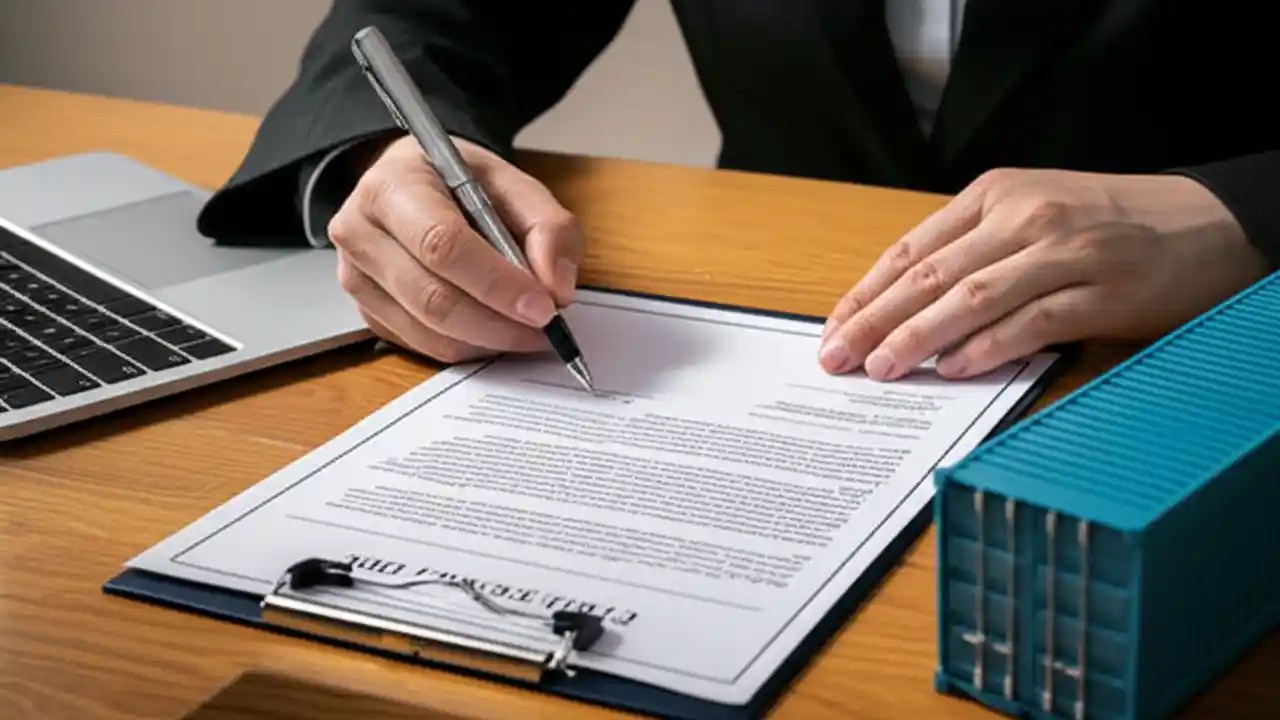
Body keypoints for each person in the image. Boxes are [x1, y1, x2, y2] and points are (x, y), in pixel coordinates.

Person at [196, 2, 1278, 381]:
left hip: (1196, 358)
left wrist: (1246, 213)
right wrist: (383, 157)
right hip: (782, 331)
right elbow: (429, 12)